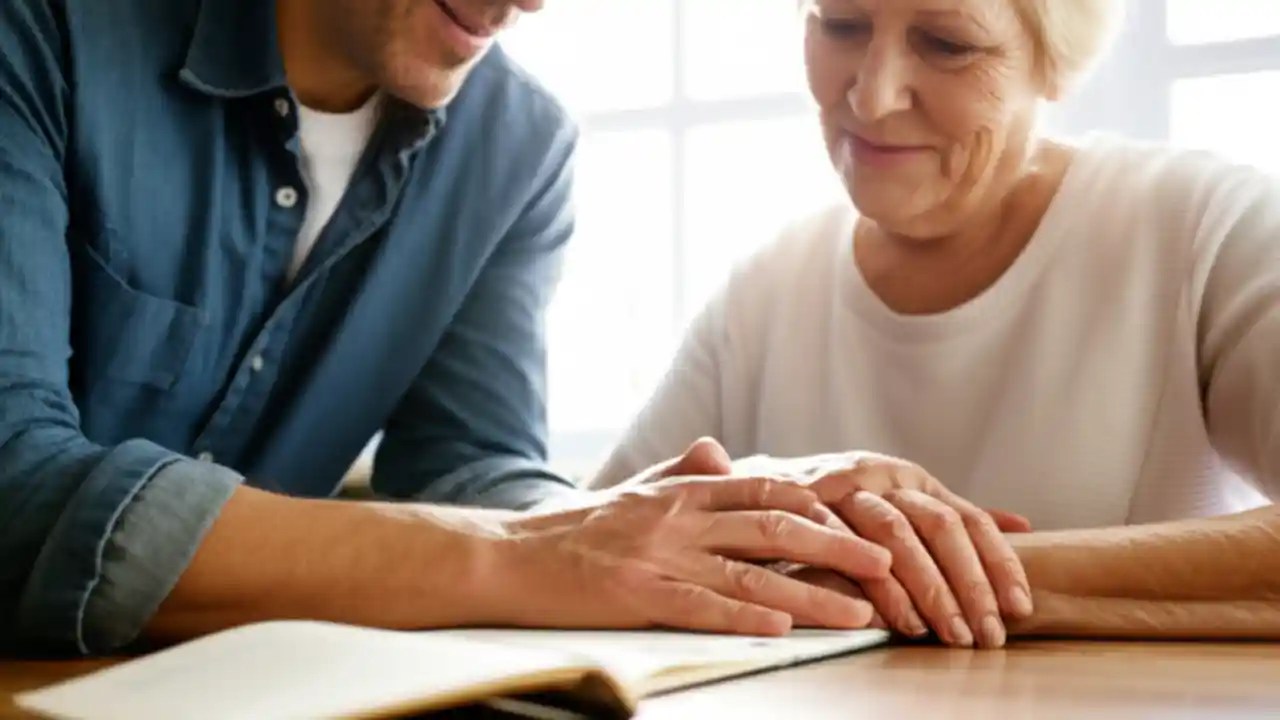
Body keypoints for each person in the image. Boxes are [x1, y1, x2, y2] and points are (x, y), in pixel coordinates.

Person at [1, 0, 952, 656]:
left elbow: (469, 466)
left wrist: (714, 525)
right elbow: (13, 482)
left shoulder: (518, 149)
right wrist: (535, 555)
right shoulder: (41, 31)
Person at [593, 0, 1280, 645]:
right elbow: (583, 552)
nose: (871, 94)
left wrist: (918, 574)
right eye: (840, 23)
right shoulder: (767, 289)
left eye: (949, 44)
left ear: (1053, 59)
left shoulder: (1203, 228)